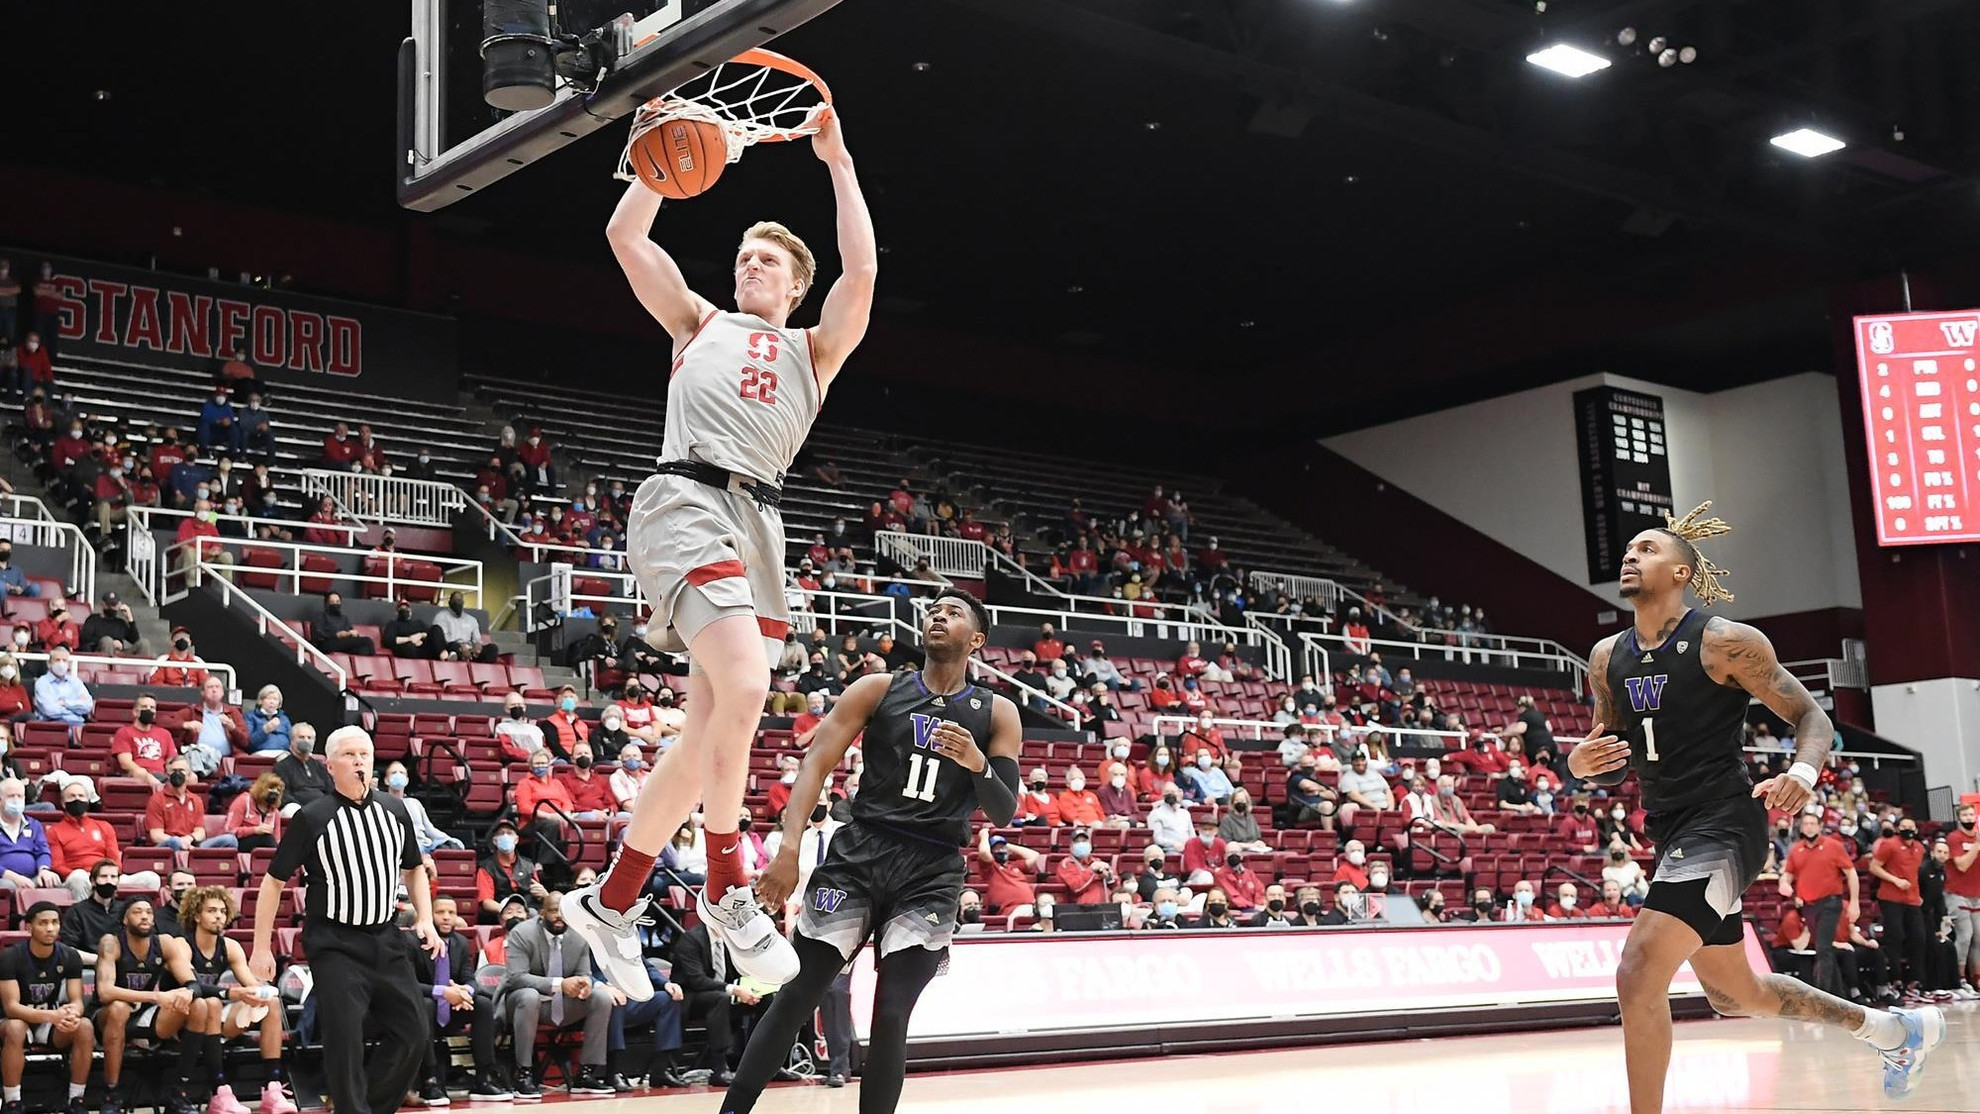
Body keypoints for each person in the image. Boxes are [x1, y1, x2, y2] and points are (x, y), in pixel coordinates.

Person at [566, 105, 877, 1001]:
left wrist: (838, 162)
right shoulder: (696, 321)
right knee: (744, 686)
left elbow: (861, 267)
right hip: (685, 497)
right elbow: (625, 236)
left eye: (768, 260)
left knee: (707, 730)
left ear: (794, 285)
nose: (750, 263)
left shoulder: (817, 348)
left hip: (759, 522)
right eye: (744, 254)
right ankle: (728, 889)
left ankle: (614, 902)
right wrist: (661, 168)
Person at [1567, 504, 1941, 1110]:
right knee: (1734, 994)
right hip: (1670, 831)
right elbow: (1601, 746)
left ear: (1682, 572)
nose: (1630, 557)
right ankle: (1894, 1031)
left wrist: (1801, 770)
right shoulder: (1608, 657)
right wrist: (1579, 765)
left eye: (1646, 549)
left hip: (1724, 824)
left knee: (1638, 971)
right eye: (1629, 549)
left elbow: (1812, 716)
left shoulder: (1725, 641)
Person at [716, 590, 1017, 1114]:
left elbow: (1004, 811)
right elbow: (815, 766)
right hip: (860, 852)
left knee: (891, 1015)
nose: (938, 615)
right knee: (799, 992)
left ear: (977, 640)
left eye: (953, 612)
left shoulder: (997, 712)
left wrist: (977, 763)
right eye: (934, 609)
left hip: (932, 870)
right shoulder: (878, 688)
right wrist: (788, 851)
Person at [249, 726, 438, 1114]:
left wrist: (427, 918)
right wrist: (261, 948)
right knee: (345, 1036)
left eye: (365, 755)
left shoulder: (396, 810)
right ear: (330, 766)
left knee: (414, 1033)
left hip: (386, 938)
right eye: (350, 756)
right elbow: (272, 883)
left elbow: (415, 868)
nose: (359, 763)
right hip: (334, 942)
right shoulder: (312, 817)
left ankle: (365, 1107)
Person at [170, 886, 289, 1114]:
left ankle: (272, 1089)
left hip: (214, 1018)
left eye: (223, 911)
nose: (219, 916)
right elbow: (193, 987)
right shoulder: (181, 945)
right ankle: (219, 1092)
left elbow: (249, 983)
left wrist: (263, 991)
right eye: (211, 911)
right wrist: (231, 994)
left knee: (271, 1003)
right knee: (211, 1003)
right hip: (183, 1017)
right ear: (196, 915)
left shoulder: (230, 946)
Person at [501, 891, 615, 1099]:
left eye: (563, 912)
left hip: (564, 1004)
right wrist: (559, 984)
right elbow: (516, 978)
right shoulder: (522, 933)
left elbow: (584, 973)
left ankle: (586, 1073)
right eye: (554, 911)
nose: (559, 916)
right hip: (524, 1004)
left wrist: (585, 984)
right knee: (529, 996)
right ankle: (523, 1074)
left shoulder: (580, 936)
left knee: (601, 998)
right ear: (542, 913)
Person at [93, 897, 197, 1114]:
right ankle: (112, 1092)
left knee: (202, 1006)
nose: (144, 916)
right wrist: (157, 997)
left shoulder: (165, 942)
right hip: (104, 1018)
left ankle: (179, 1092)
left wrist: (188, 993)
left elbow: (192, 983)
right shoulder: (111, 942)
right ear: (124, 919)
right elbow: (105, 992)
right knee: (119, 1008)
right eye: (137, 912)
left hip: (141, 1015)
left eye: (149, 912)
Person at [0, 902, 93, 1114]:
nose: (50, 928)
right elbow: (11, 1007)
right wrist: (52, 1015)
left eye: (54, 923)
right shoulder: (10, 957)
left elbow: (77, 1000)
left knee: (84, 1026)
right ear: (29, 928)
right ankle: (12, 1102)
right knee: (15, 1027)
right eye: (43, 923)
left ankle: (76, 1100)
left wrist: (72, 1014)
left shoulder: (69, 956)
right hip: (15, 1021)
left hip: (49, 1021)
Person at [1868, 815, 1929, 996]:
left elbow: (1916, 873)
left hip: (1912, 899)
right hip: (1891, 898)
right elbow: (1874, 867)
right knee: (1895, 938)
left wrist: (1919, 895)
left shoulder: (1919, 848)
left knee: (1919, 938)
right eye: (1903, 826)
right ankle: (1896, 979)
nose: (1907, 829)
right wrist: (1895, 880)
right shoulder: (1890, 844)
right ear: (1897, 829)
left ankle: (1916, 980)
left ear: (1916, 830)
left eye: (1911, 826)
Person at [145, 755, 238, 850]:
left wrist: (189, 839)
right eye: (173, 771)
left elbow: (200, 832)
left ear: (189, 775)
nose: (177, 774)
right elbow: (156, 835)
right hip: (168, 845)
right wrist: (180, 842)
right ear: (168, 774)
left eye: (181, 770)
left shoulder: (196, 800)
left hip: (192, 845)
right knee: (175, 841)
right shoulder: (156, 799)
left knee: (230, 840)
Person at [0, 779, 62, 891]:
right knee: (8, 886)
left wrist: (44, 870)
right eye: (11, 796)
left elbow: (43, 852)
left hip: (33, 878)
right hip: (4, 878)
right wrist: (15, 878)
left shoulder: (34, 825)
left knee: (53, 881)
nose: (16, 800)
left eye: (20, 796)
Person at [270, 724, 329, 815]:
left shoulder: (319, 766)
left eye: (309, 738)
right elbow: (283, 794)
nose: (306, 741)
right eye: (301, 737)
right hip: (296, 808)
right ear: (292, 741)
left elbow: (330, 789)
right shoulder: (282, 767)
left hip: (321, 807)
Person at [32, 645, 92, 728]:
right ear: (49, 663)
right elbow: (50, 710)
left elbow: (87, 706)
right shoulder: (42, 683)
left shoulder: (75, 682)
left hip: (77, 726)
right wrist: (75, 709)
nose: (61, 664)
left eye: (64, 660)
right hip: (53, 727)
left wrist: (65, 703)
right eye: (57, 660)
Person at [310, 593, 375, 657]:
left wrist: (354, 634)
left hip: (343, 644)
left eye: (337, 601)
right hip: (326, 643)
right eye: (332, 602)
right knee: (367, 640)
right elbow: (317, 634)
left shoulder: (344, 618)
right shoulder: (320, 616)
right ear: (327, 603)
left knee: (363, 651)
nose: (335, 604)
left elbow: (350, 632)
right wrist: (336, 635)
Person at [244, 686, 291, 755]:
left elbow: (292, 739)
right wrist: (265, 730)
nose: (272, 702)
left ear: (279, 703)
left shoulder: (284, 719)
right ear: (261, 701)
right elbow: (248, 743)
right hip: (260, 753)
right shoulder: (250, 717)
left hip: (282, 753)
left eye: (275, 699)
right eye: (268, 698)